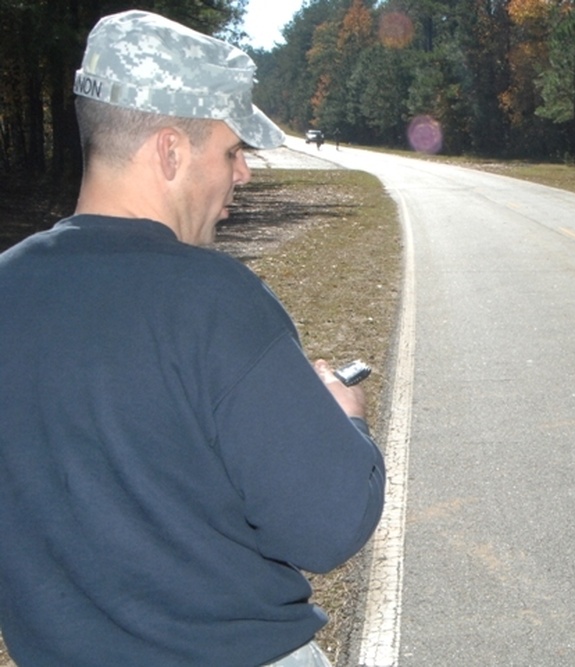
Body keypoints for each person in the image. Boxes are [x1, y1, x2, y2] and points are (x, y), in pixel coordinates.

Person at [0, 10, 385, 667]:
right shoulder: (213, 299)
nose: (245, 175)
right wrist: (345, 422)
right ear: (170, 151)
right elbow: (327, 523)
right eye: (232, 151)